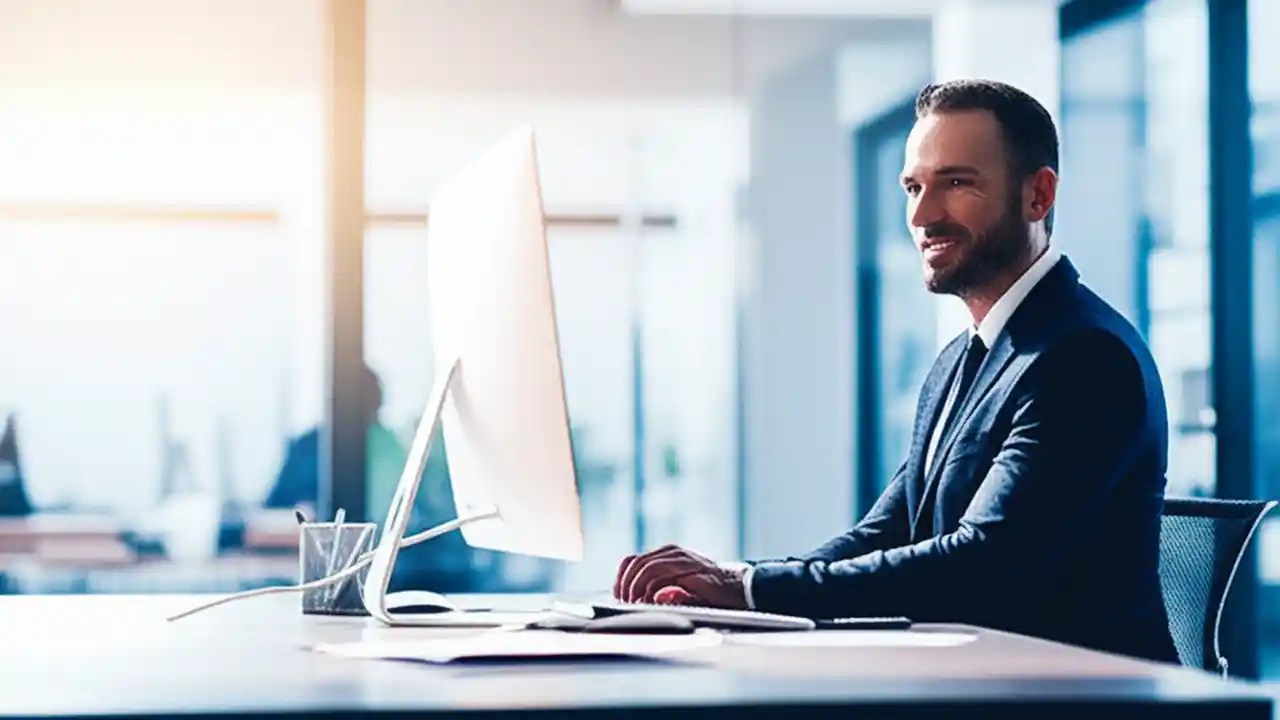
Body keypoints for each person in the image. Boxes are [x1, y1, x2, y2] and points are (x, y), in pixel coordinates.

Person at [614, 79, 1179, 663]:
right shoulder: (960, 362)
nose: (922, 214)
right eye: (913, 186)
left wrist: (750, 591)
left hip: (1081, 699)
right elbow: (889, 532)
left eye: (956, 183)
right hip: (979, 682)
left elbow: (985, 563)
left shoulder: (1082, 356)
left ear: (1038, 195)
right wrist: (737, 587)